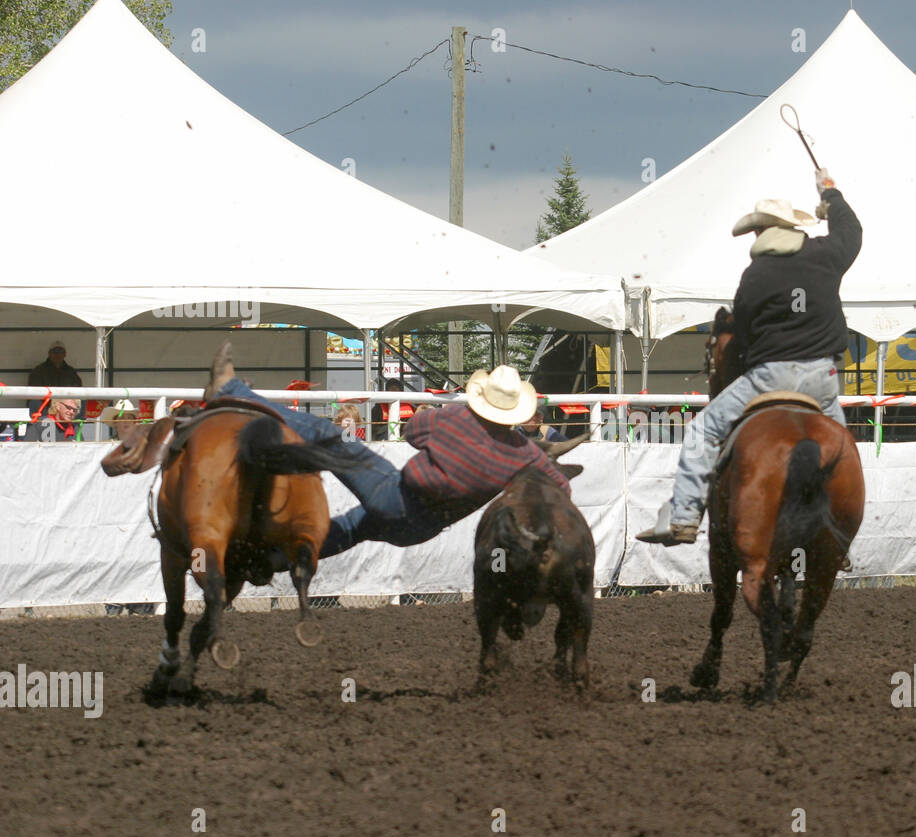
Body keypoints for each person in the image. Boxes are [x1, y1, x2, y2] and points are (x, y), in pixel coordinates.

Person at [638, 167, 862, 545]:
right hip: (823, 380)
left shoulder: (755, 276)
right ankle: (839, 534)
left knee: (701, 432)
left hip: (769, 379)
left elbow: (743, 335)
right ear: (793, 227)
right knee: (843, 450)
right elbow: (851, 232)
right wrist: (831, 196)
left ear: (761, 234)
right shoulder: (827, 254)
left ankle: (684, 518)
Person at [204, 343, 570, 557]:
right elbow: (561, 488)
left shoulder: (455, 419)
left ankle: (232, 390)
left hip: (394, 496)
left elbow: (412, 432)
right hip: (421, 530)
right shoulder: (526, 455)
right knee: (348, 530)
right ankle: (269, 560)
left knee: (329, 436)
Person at [27, 341, 83, 417]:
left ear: (65, 354)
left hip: (66, 411)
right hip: (44, 411)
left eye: (61, 352)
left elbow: (77, 392)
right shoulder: (39, 371)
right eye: (55, 352)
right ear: (49, 354)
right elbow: (34, 394)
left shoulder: (71, 372)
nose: (58, 354)